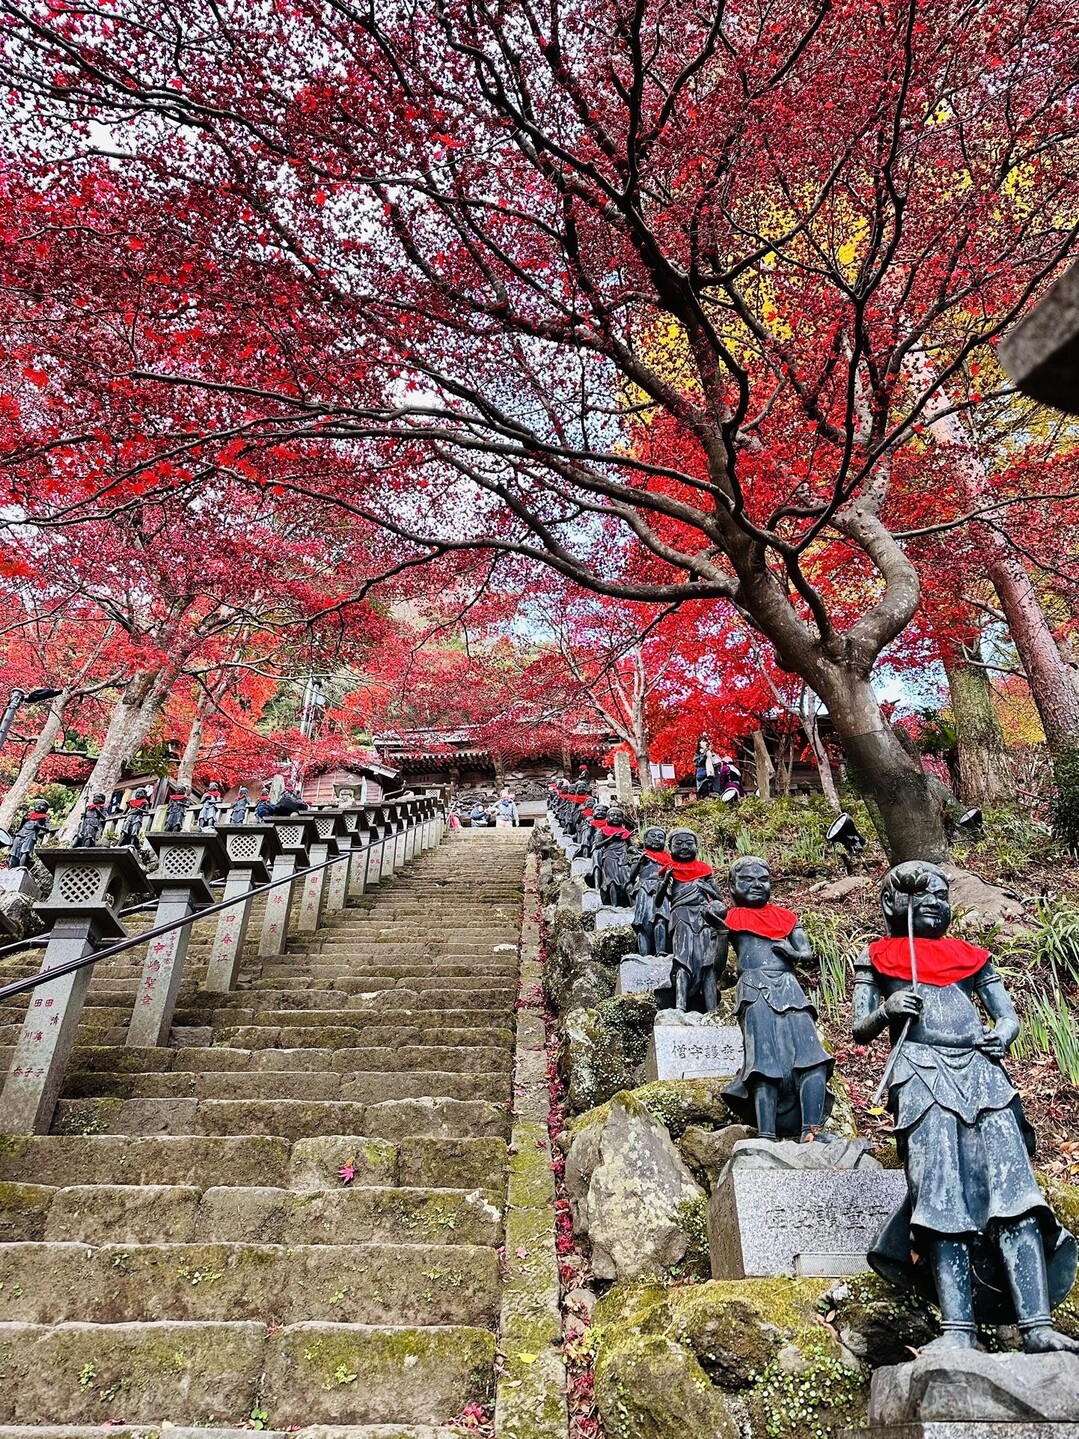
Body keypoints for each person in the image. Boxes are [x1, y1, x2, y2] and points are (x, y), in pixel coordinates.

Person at [855, 862, 1079, 1353]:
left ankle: (1037, 1324)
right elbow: (859, 1028)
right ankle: (957, 1328)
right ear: (897, 904)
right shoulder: (878, 956)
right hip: (920, 1072)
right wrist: (887, 1009)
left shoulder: (970, 957)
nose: (936, 903)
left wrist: (1002, 1035)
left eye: (943, 895)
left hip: (982, 1073)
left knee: (1014, 1190)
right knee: (939, 1192)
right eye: (924, 896)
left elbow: (1007, 1017)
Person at [719, 856, 834, 1142]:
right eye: (747, 880)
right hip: (753, 986)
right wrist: (718, 932)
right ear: (732, 885)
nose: (757, 885)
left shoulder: (787, 917)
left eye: (763, 879)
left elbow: (806, 953)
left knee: (811, 1055)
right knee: (763, 1058)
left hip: (789, 985)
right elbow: (716, 964)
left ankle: (811, 1129)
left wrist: (794, 954)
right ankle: (766, 1133)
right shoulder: (731, 918)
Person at [653, 828, 728, 1011]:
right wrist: (665, 881)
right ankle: (680, 1006)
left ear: (696, 846)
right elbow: (658, 902)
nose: (685, 847)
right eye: (679, 843)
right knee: (682, 958)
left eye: (689, 843)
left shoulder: (704, 870)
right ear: (670, 847)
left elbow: (719, 898)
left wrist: (706, 888)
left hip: (704, 916)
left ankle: (712, 1009)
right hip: (681, 915)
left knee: (707, 961)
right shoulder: (669, 870)